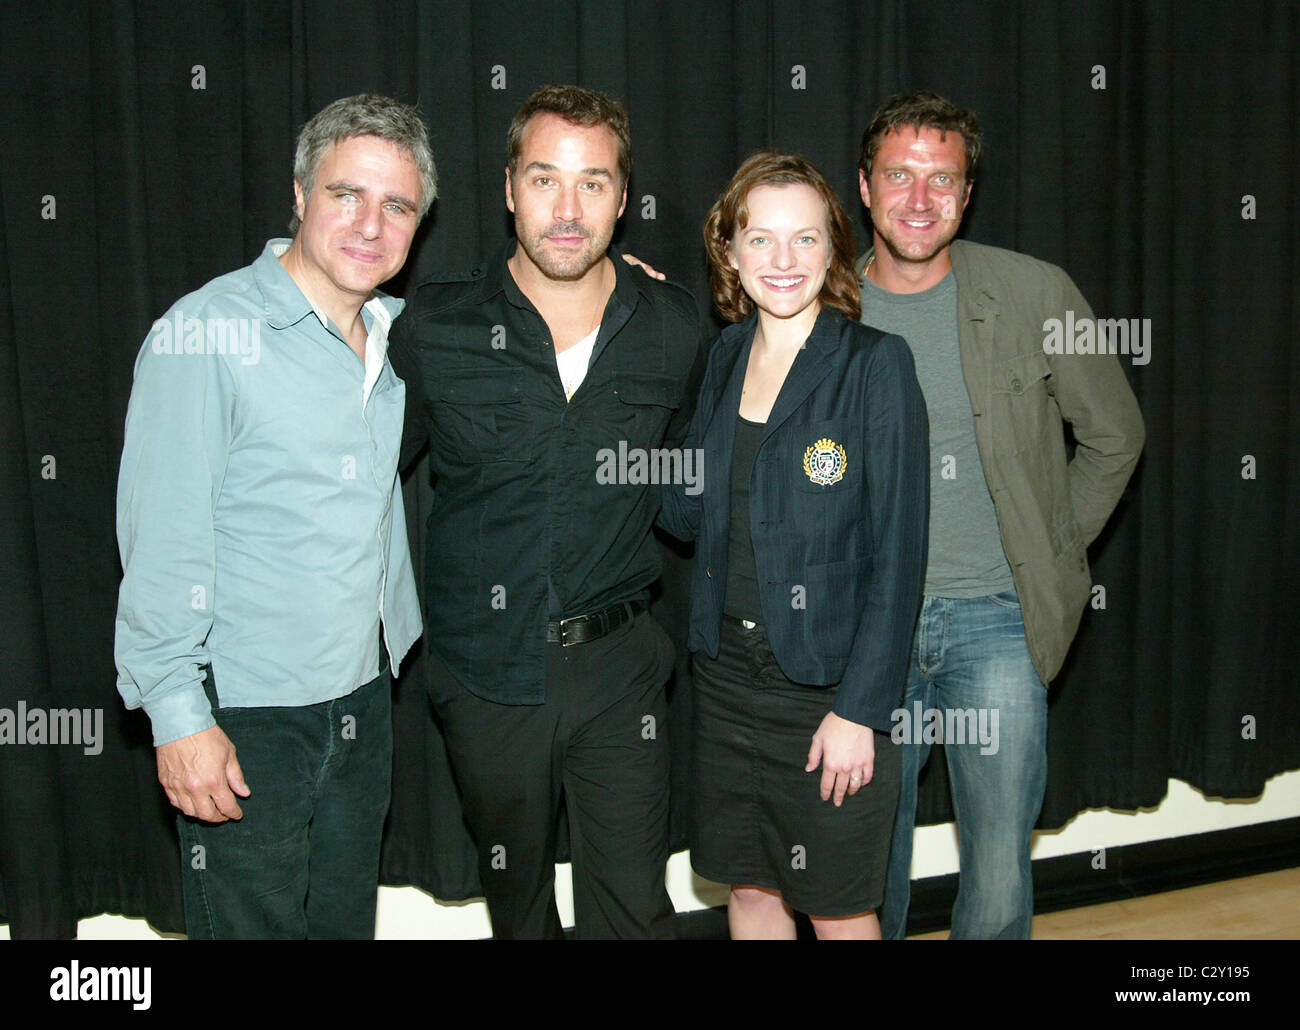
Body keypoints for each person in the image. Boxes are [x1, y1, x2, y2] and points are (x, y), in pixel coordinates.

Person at [388, 84, 707, 940]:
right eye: (544, 179)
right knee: (519, 911)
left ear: (623, 197)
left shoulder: (675, 325)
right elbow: (364, 476)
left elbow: (694, 480)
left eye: (593, 182)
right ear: (508, 189)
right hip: (484, 674)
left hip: (622, 670)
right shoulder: (435, 326)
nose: (568, 210)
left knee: (635, 914)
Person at [114, 94, 436, 939]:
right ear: (299, 193)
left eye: (397, 206)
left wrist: (619, 282)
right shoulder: (205, 334)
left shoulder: (403, 337)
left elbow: (519, 313)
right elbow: (160, 541)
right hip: (245, 716)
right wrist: (178, 719)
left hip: (364, 702)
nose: (370, 225)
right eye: (346, 194)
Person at [855, 90, 1145, 939]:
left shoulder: (1036, 292)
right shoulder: (822, 300)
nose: (919, 199)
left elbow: (1116, 434)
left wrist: (1050, 549)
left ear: (968, 192)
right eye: (898, 176)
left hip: (998, 626)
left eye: (942, 179)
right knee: (862, 863)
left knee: (997, 867)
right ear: (863, 187)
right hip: (868, 632)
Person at [657, 152, 929, 939]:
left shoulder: (875, 364)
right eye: (761, 239)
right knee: (750, 890)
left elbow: (900, 557)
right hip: (725, 677)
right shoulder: (724, 356)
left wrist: (859, 710)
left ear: (832, 247)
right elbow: (683, 516)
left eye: (805, 238)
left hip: (826, 689)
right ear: (730, 251)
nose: (783, 260)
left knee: (838, 906)